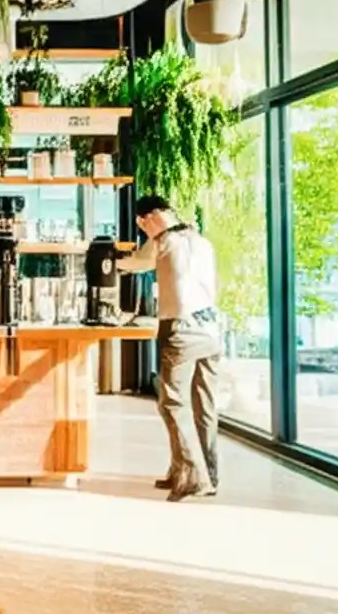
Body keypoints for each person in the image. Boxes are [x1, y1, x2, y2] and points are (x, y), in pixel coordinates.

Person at [116, 195, 221, 502]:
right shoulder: (202, 241)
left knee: (172, 404)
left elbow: (135, 264)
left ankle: (193, 477)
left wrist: (106, 260)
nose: (144, 229)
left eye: (142, 224)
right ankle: (202, 474)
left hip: (181, 329)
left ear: (147, 219)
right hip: (212, 329)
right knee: (204, 406)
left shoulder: (162, 241)